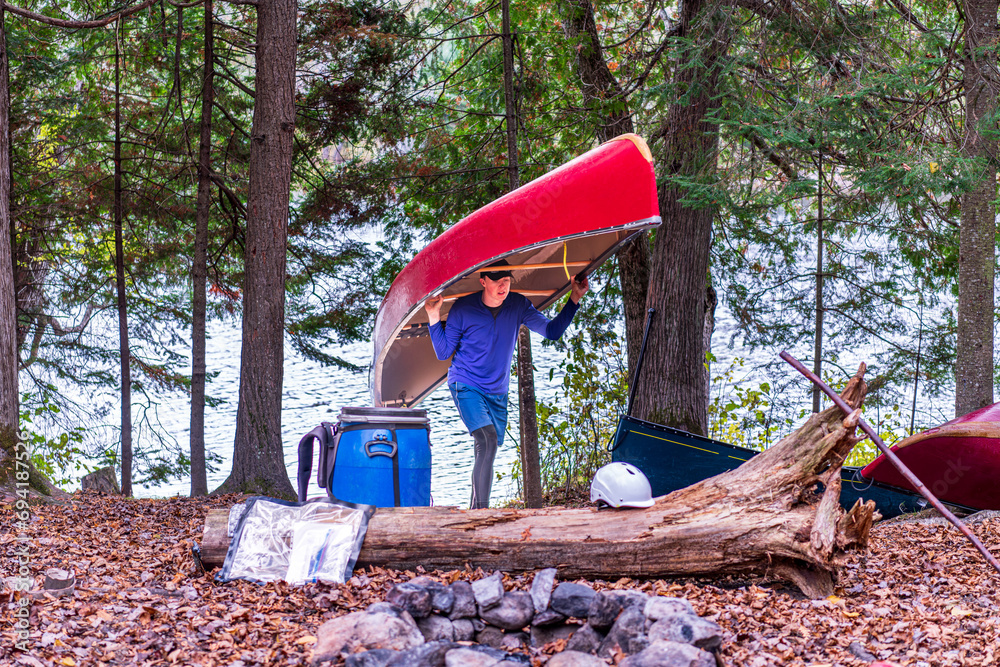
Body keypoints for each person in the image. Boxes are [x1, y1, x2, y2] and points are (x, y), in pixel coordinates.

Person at [424, 259, 589, 508]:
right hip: (466, 383)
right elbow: (443, 351)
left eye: (507, 281)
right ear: (483, 282)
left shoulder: (518, 305)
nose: (503, 286)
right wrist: (434, 315)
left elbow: (552, 332)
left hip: (497, 392)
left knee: (486, 449)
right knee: (486, 439)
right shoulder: (463, 309)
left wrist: (574, 298)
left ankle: (473, 512)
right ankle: (481, 513)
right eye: (497, 282)